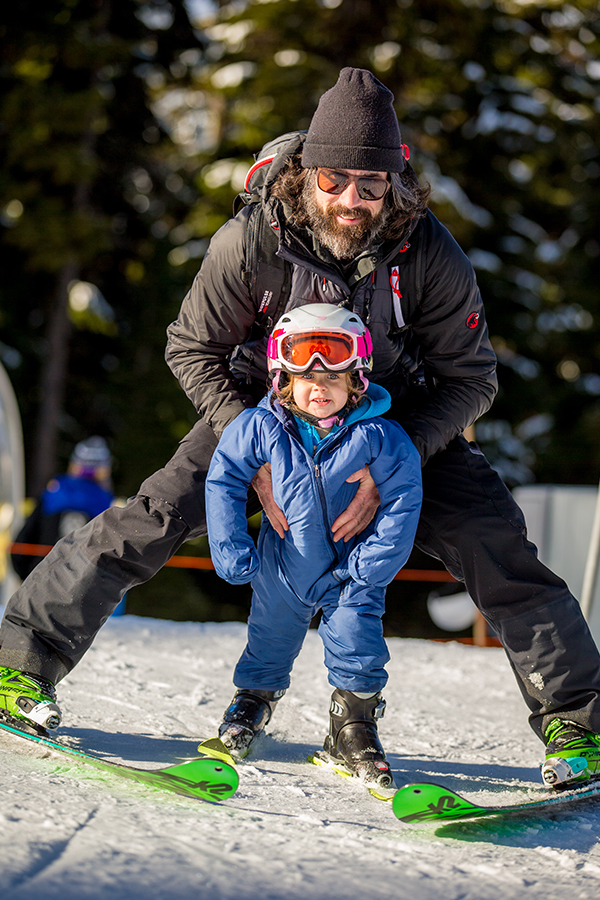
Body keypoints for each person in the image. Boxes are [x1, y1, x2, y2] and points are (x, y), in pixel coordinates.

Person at [0, 66, 599, 788]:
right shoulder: (250, 241)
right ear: (308, 173)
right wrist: (250, 446)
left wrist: (396, 458)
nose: (353, 200)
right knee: (150, 519)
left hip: (393, 421)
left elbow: (472, 377)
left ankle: (579, 722)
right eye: (336, 180)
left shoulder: (428, 252)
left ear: (396, 182)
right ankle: (18, 667)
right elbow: (191, 347)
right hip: (261, 412)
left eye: (372, 184)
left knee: (495, 543)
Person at [206, 304, 422, 786]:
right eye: (305, 377)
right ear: (283, 377)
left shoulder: (379, 436)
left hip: (351, 572)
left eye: (333, 377)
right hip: (282, 567)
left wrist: (372, 565)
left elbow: (404, 500)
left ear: (356, 380)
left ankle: (354, 722)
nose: (318, 387)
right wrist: (230, 547)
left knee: (357, 644)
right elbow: (223, 481)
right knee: (269, 638)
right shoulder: (258, 428)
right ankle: (252, 701)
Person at [11, 436, 114, 580]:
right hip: (77, 585)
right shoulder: (105, 502)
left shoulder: (54, 492)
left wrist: (26, 578)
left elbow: (22, 542)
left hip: (38, 578)